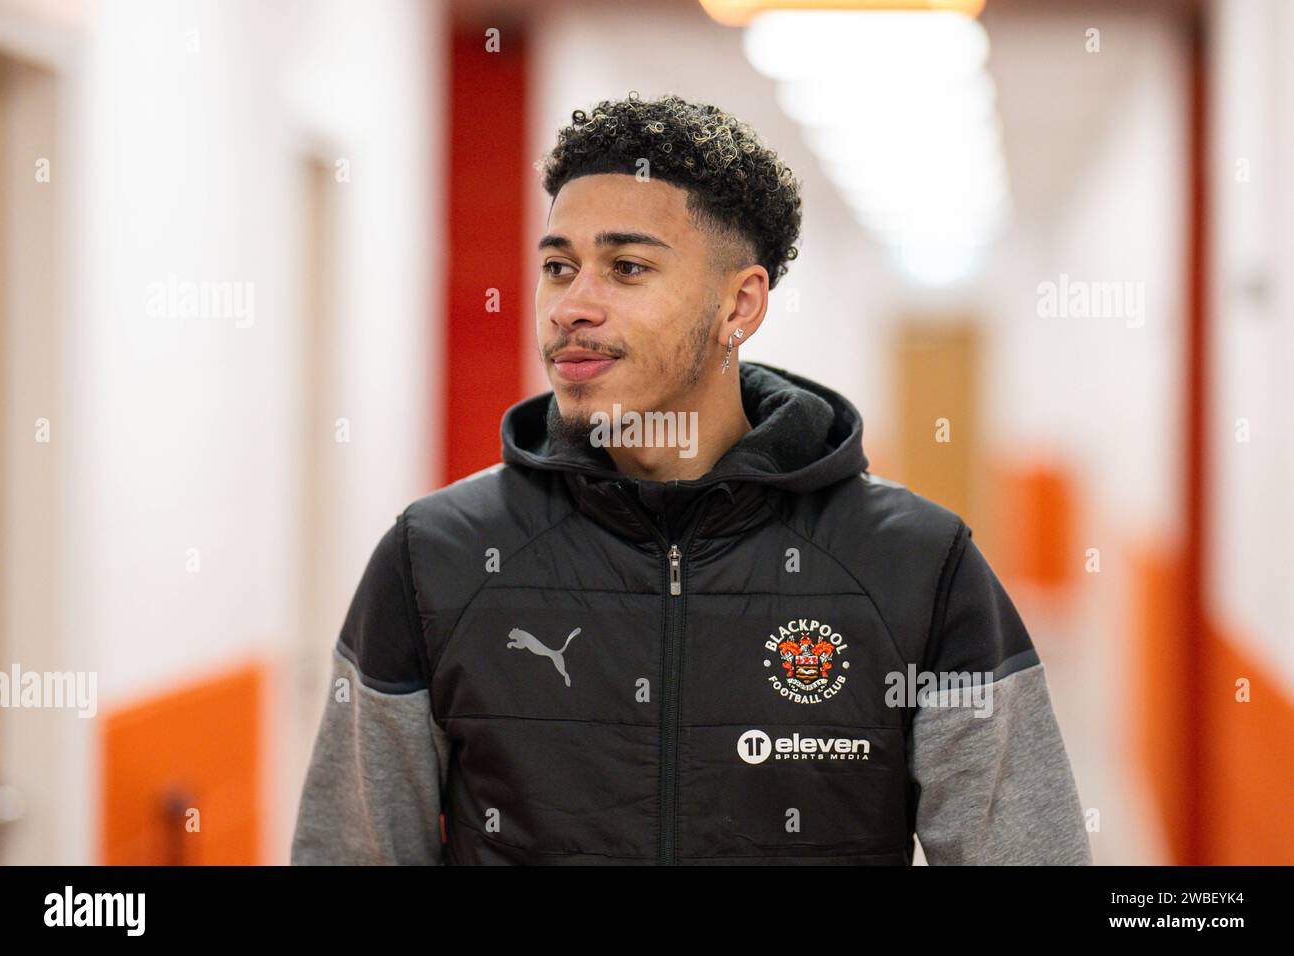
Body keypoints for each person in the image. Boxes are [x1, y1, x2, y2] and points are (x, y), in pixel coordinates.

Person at [290, 91, 1092, 865]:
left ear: (738, 306)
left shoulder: (919, 565)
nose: (573, 304)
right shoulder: (435, 558)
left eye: (627, 268)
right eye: (559, 267)